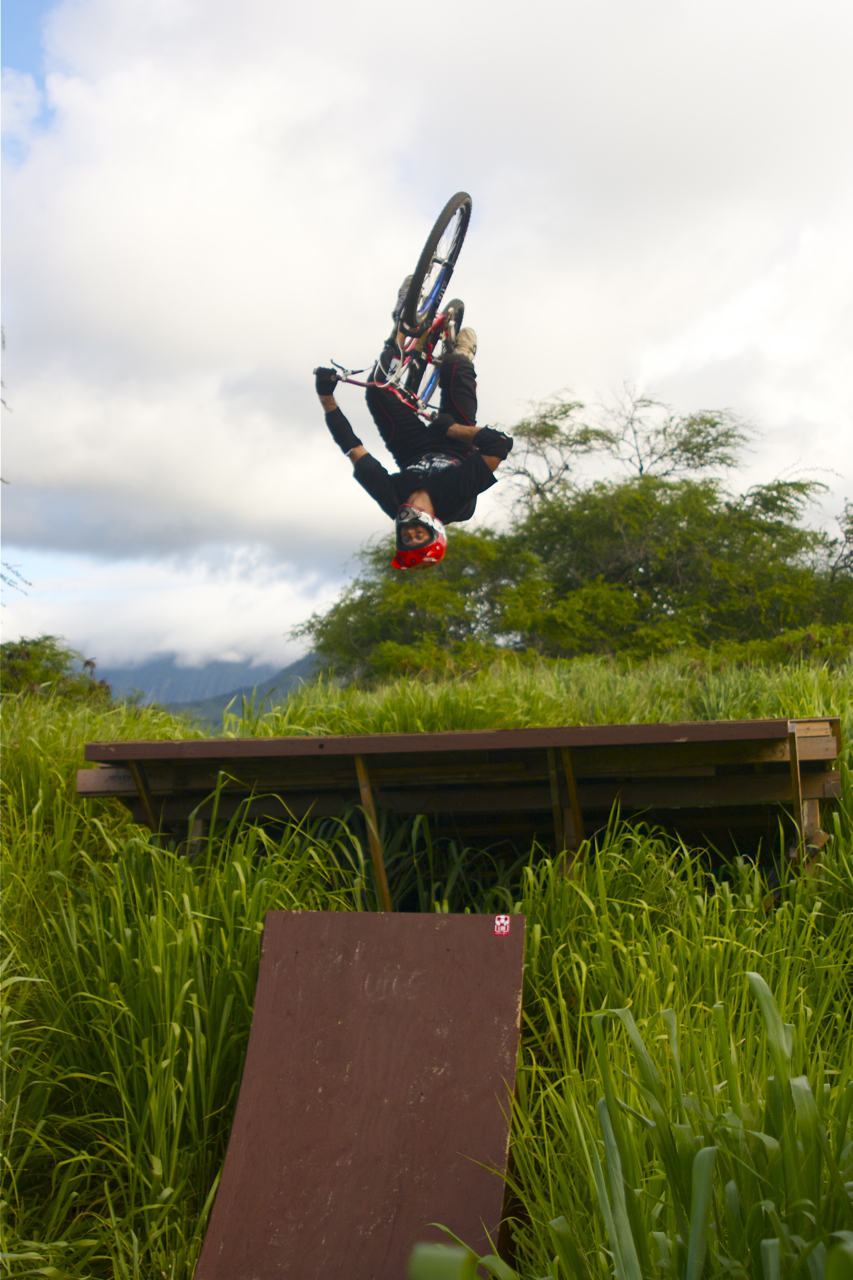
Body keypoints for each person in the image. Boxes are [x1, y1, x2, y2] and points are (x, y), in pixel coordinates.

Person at [314, 296, 513, 569]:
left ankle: (402, 323)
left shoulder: (391, 500)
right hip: (456, 446)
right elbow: (499, 446)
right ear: (435, 530)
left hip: (412, 450)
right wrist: (452, 428)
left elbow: (353, 447)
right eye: (419, 536)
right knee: (456, 368)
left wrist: (326, 397)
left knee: (378, 389)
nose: (410, 532)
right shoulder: (455, 496)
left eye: (407, 538)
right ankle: (461, 355)